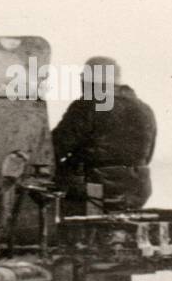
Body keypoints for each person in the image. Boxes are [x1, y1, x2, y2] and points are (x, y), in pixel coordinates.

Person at [51, 57, 156, 211]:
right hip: (136, 192)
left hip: (94, 190)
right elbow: (147, 156)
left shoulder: (87, 105)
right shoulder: (145, 109)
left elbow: (54, 148)